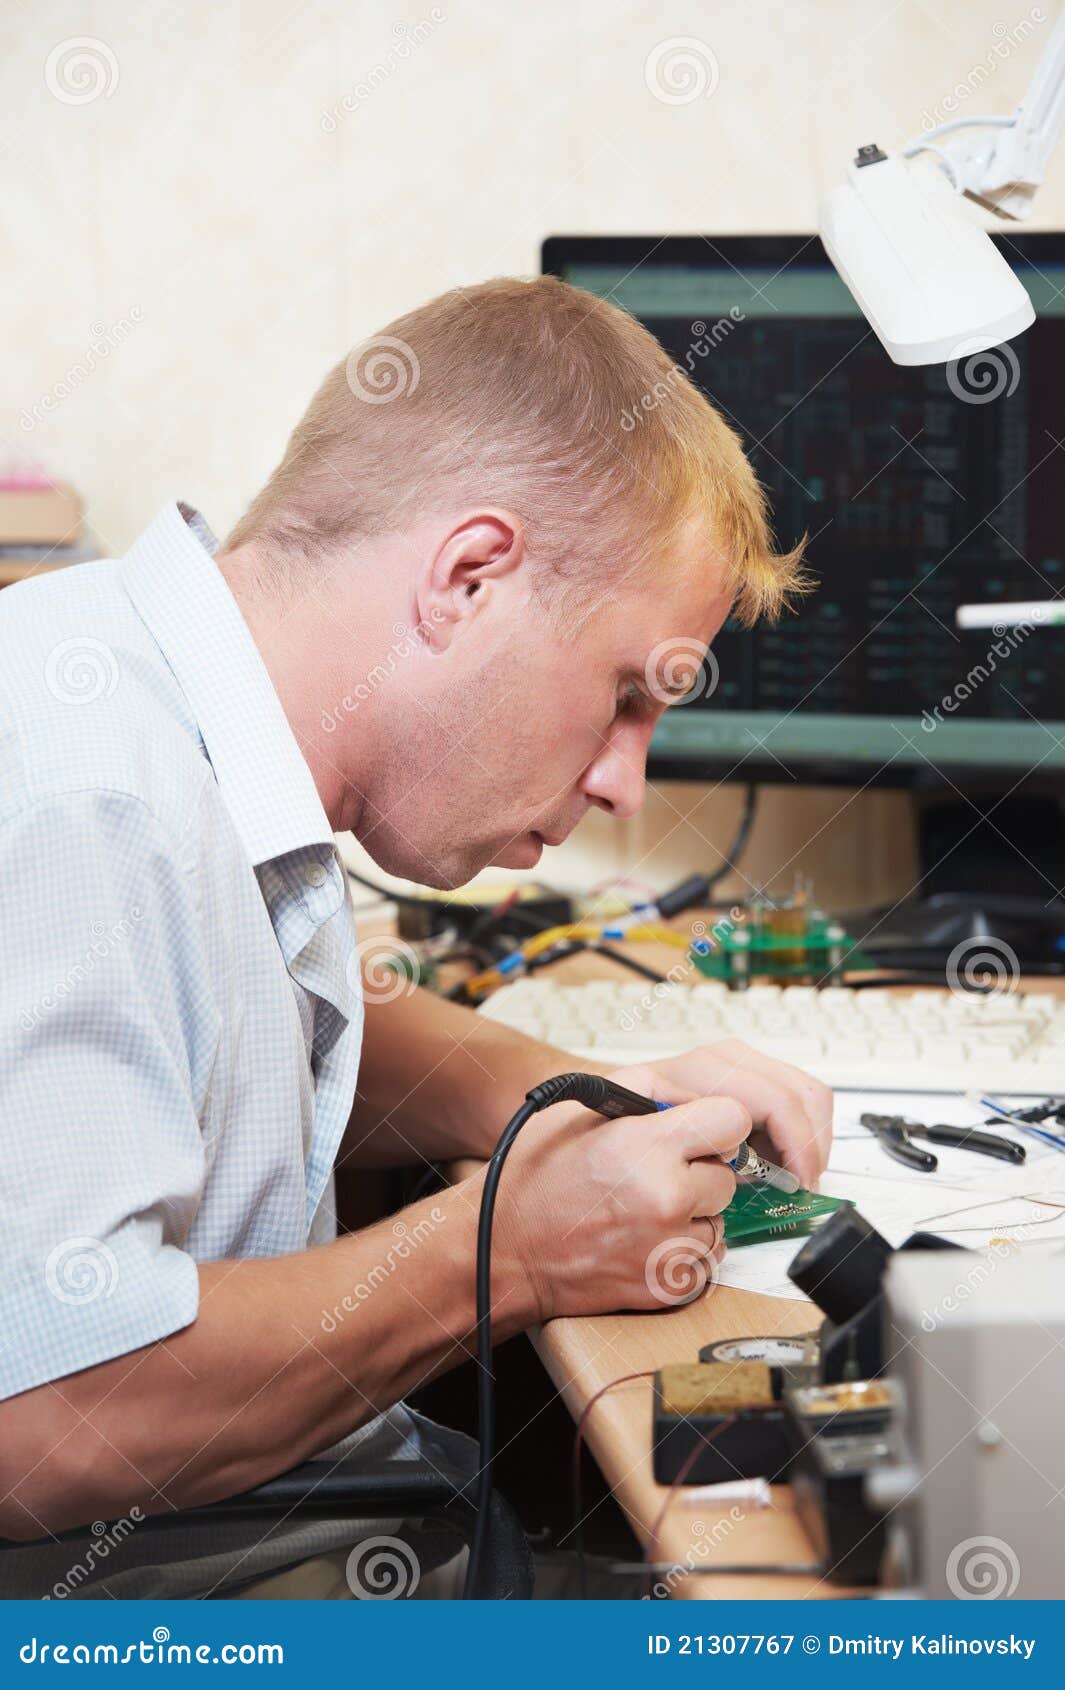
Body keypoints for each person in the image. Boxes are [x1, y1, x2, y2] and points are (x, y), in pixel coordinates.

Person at [0, 277, 830, 1588]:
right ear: (468, 577)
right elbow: (46, 1413)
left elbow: (248, 1022)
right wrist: (510, 1249)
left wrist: (570, 1096)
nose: (625, 781)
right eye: (626, 692)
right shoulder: (87, 790)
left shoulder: (168, 721)